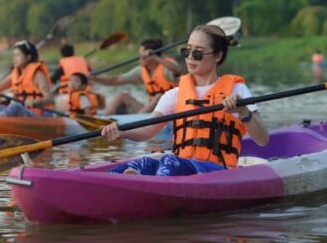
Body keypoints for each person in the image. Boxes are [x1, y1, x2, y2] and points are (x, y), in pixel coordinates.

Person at [100, 24, 269, 176]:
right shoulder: (175, 94)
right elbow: (147, 130)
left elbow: (262, 140)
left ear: (217, 56)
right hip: (180, 164)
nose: (189, 58)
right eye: (187, 51)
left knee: (170, 162)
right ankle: (123, 185)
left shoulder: (237, 90)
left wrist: (243, 112)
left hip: (215, 170)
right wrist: (122, 132)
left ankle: (151, 191)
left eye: (197, 53)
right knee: (141, 163)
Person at [92, 39, 182, 115]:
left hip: (171, 112)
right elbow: (117, 80)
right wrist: (93, 78)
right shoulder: (141, 71)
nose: (139, 58)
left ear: (151, 56)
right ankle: (104, 120)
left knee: (159, 97)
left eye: (141, 56)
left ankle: (137, 123)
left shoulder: (166, 68)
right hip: (151, 113)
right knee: (122, 95)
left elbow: (177, 69)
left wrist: (155, 57)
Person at [0, 40, 55, 117]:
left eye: (18, 55)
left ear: (28, 57)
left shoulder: (38, 75)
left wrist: (35, 102)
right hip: (23, 113)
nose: (14, 58)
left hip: (40, 116)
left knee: (15, 106)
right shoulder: (14, 75)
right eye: (14, 56)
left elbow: (50, 99)